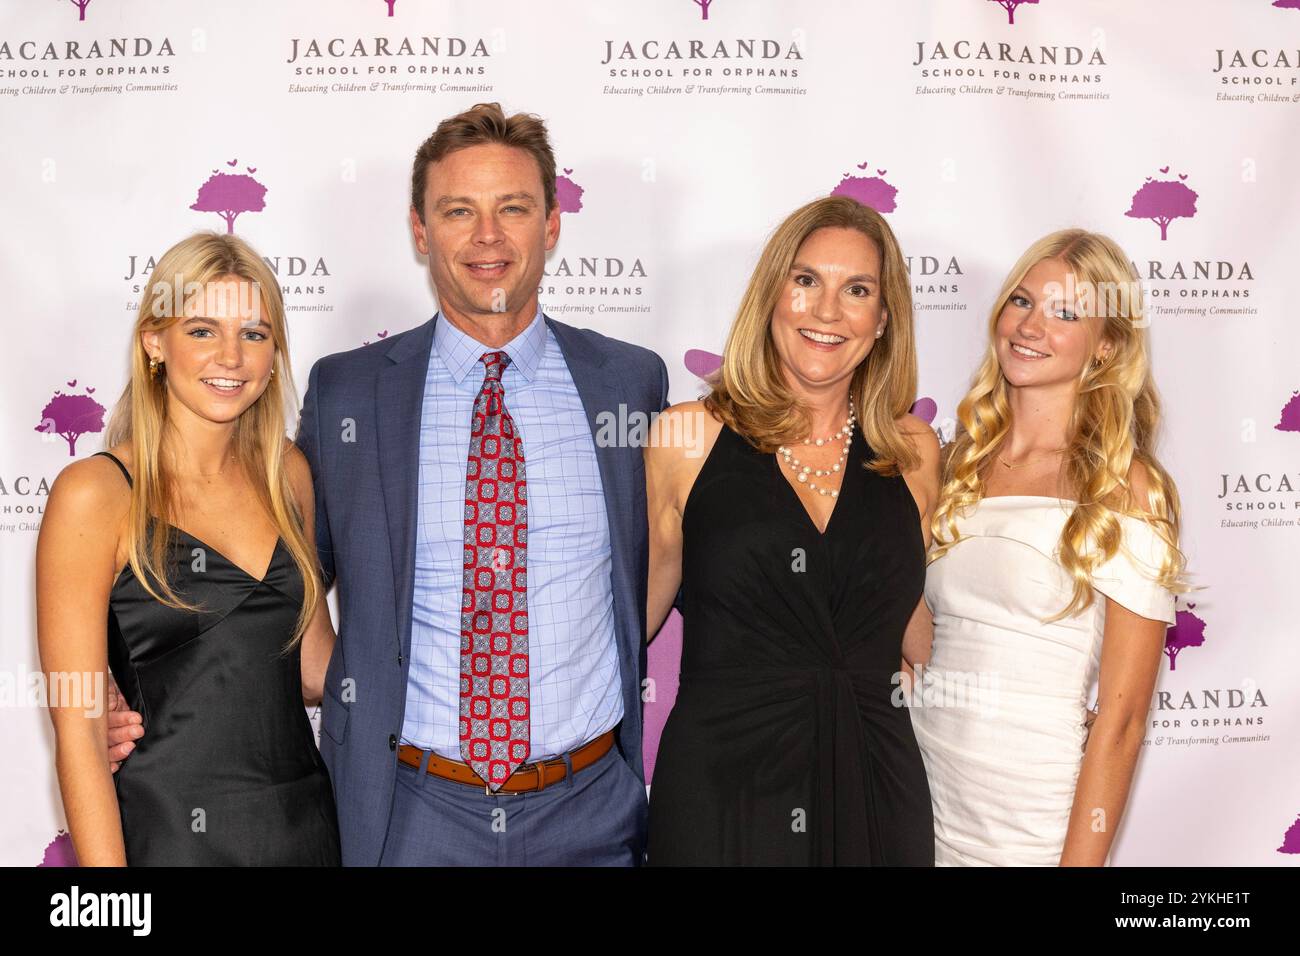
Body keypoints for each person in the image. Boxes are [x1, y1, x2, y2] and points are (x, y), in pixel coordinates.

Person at [108, 103, 667, 865]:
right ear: (419, 231)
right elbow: (264, 595)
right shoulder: (350, 395)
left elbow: (687, 561)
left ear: (553, 223)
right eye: (458, 211)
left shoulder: (629, 383)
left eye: (514, 208)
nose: (488, 236)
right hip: (410, 816)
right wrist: (127, 690)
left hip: (592, 811)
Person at [644, 196, 939, 865]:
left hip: (878, 787)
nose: (827, 311)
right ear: (772, 292)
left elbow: (920, 630)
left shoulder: (914, 451)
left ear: (884, 318)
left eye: (856, 289)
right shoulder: (687, 437)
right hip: (723, 792)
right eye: (806, 281)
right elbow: (628, 622)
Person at [38, 231, 341, 866]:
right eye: (202, 330)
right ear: (155, 342)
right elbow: (81, 733)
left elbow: (316, 669)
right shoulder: (95, 494)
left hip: (303, 830)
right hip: (169, 838)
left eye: (255, 334)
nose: (231, 357)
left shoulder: (288, 473)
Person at [907, 228, 1188, 866]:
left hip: (1033, 812)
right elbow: (922, 640)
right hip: (922, 790)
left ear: (1107, 345)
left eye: (1066, 313)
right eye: (1022, 301)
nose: (1032, 325)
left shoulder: (1126, 488)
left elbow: (1120, 722)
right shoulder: (952, 464)